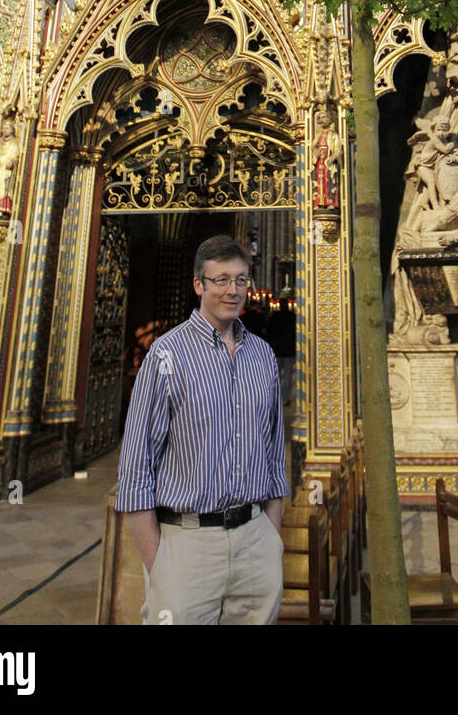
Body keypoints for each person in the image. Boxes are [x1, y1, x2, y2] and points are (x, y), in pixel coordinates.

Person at [116, 233, 289, 625]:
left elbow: (275, 457)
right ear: (199, 284)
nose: (233, 290)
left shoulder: (262, 355)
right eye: (221, 279)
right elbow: (136, 469)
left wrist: (271, 541)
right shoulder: (167, 354)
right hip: (188, 545)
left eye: (241, 279)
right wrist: (159, 564)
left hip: (255, 542)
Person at [267, 297, 295, 405]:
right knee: (288, 375)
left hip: (277, 350)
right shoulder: (292, 316)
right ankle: (285, 399)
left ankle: (275, 398)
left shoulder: (275, 316)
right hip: (289, 350)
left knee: (275, 376)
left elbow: (270, 332)